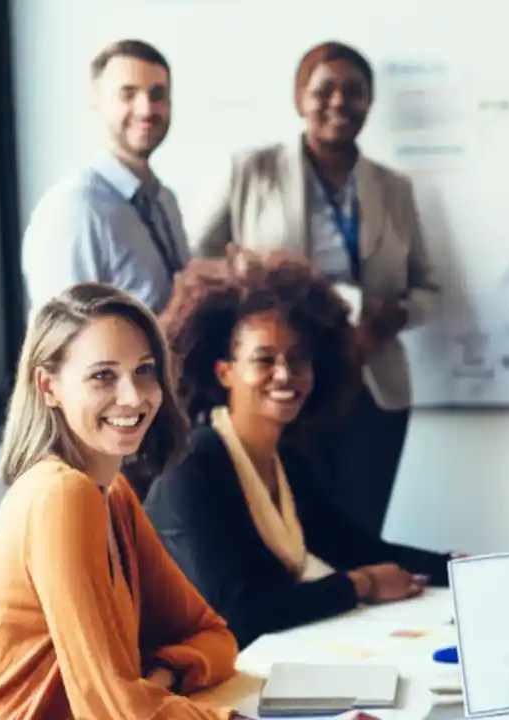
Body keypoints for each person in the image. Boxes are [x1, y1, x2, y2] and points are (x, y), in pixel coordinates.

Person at [0, 284, 237, 719]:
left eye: (144, 370)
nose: (133, 396)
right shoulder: (59, 496)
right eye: (103, 375)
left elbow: (213, 636)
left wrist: (161, 675)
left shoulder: (114, 495)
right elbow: (110, 709)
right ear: (48, 386)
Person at [145, 251, 452, 649]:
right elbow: (237, 614)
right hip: (182, 686)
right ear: (225, 371)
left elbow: (356, 548)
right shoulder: (191, 467)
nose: (286, 375)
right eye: (264, 360)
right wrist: (362, 584)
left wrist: (462, 568)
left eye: (298, 359)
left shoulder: (284, 459)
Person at [191, 41, 435, 540]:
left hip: (371, 384)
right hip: (279, 379)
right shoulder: (250, 171)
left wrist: (392, 321)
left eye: (355, 91)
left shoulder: (394, 189)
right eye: (324, 89)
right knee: (284, 531)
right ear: (300, 98)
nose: (339, 102)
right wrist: (251, 292)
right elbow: (197, 264)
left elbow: (429, 288)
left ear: (369, 103)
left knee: (361, 532)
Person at [21, 40, 188, 317]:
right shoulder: (75, 209)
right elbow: (65, 339)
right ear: (96, 101)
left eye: (157, 94)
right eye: (128, 94)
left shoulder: (165, 200)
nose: (146, 109)